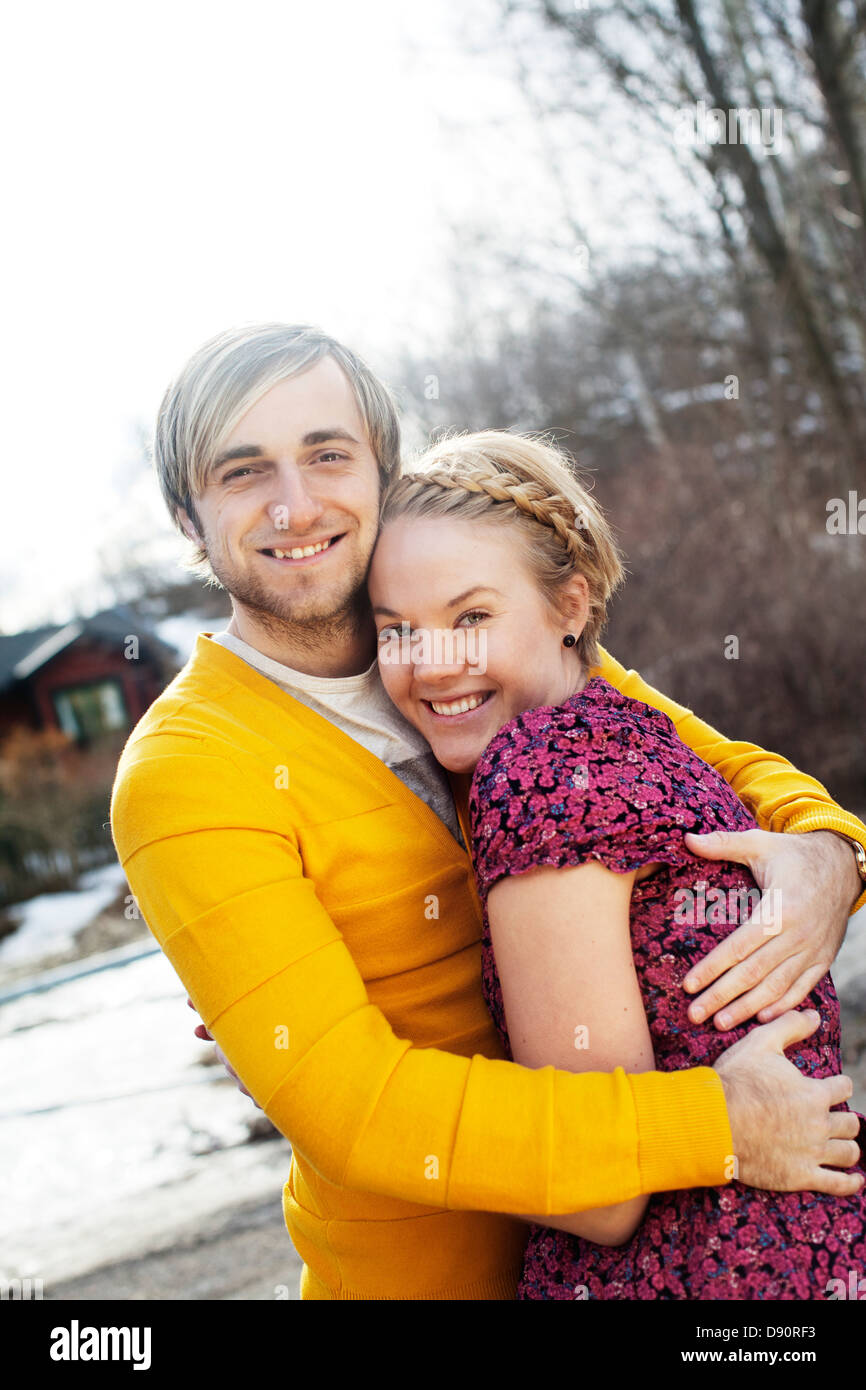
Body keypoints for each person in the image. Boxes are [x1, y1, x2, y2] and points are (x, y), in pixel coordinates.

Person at [110, 323, 866, 1302]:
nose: (294, 504)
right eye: (243, 471)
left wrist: (829, 856)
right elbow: (354, 1106)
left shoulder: (469, 653)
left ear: (380, 468)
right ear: (185, 513)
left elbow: (725, 764)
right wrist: (714, 1123)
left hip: (643, 1261)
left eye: (326, 455)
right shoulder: (186, 770)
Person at [368, 429, 866, 1299]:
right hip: (804, 1253)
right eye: (396, 630)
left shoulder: (538, 776)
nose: (431, 663)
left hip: (693, 1275)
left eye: (472, 617)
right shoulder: (639, 735)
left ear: (571, 604)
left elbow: (603, 1198)